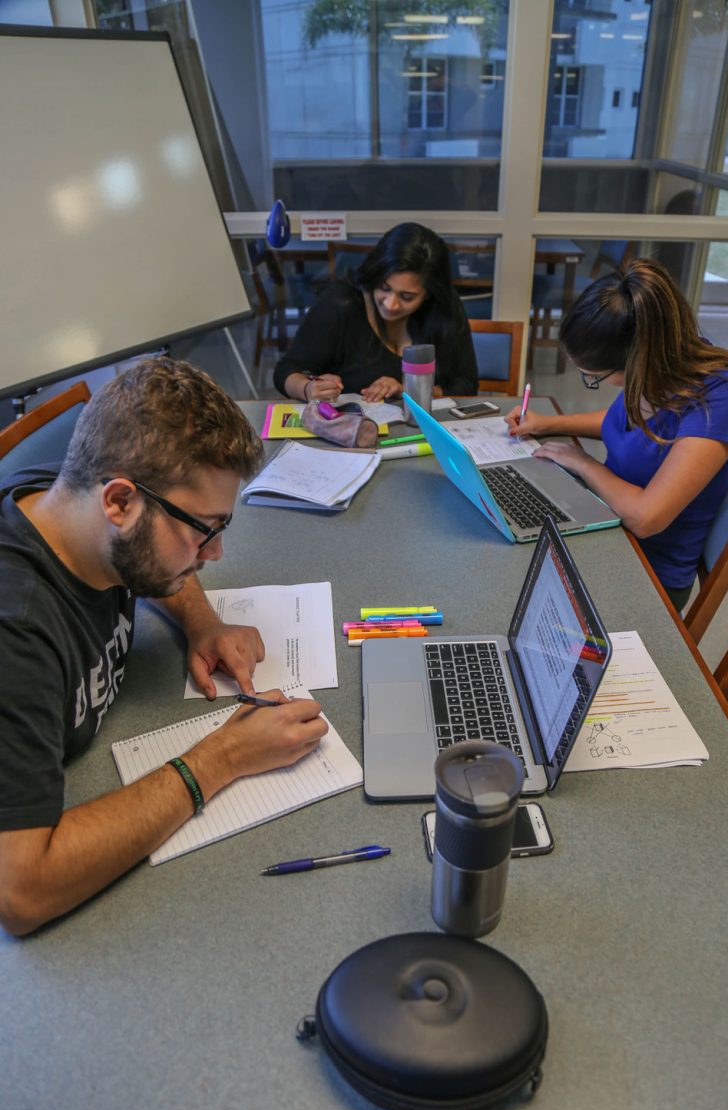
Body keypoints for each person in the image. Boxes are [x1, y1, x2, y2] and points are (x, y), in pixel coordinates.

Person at [0, 358, 327, 936]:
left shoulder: (70, 494)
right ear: (119, 503)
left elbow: (145, 553)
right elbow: (22, 891)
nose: (215, 554)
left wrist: (201, 620)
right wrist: (223, 756)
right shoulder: (17, 634)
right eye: (204, 530)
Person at [506, 258, 728, 611]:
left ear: (639, 359)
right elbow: (625, 425)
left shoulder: (722, 394)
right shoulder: (661, 362)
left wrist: (583, 463)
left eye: (594, 377)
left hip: (648, 570)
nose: (592, 381)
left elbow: (646, 518)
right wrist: (548, 424)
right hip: (608, 524)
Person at [273, 222, 478, 402]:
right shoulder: (341, 302)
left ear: (428, 294)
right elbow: (286, 371)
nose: (391, 304)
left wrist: (409, 390)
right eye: (384, 288)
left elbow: (466, 384)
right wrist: (308, 388)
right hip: (351, 428)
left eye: (407, 296)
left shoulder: (443, 307)